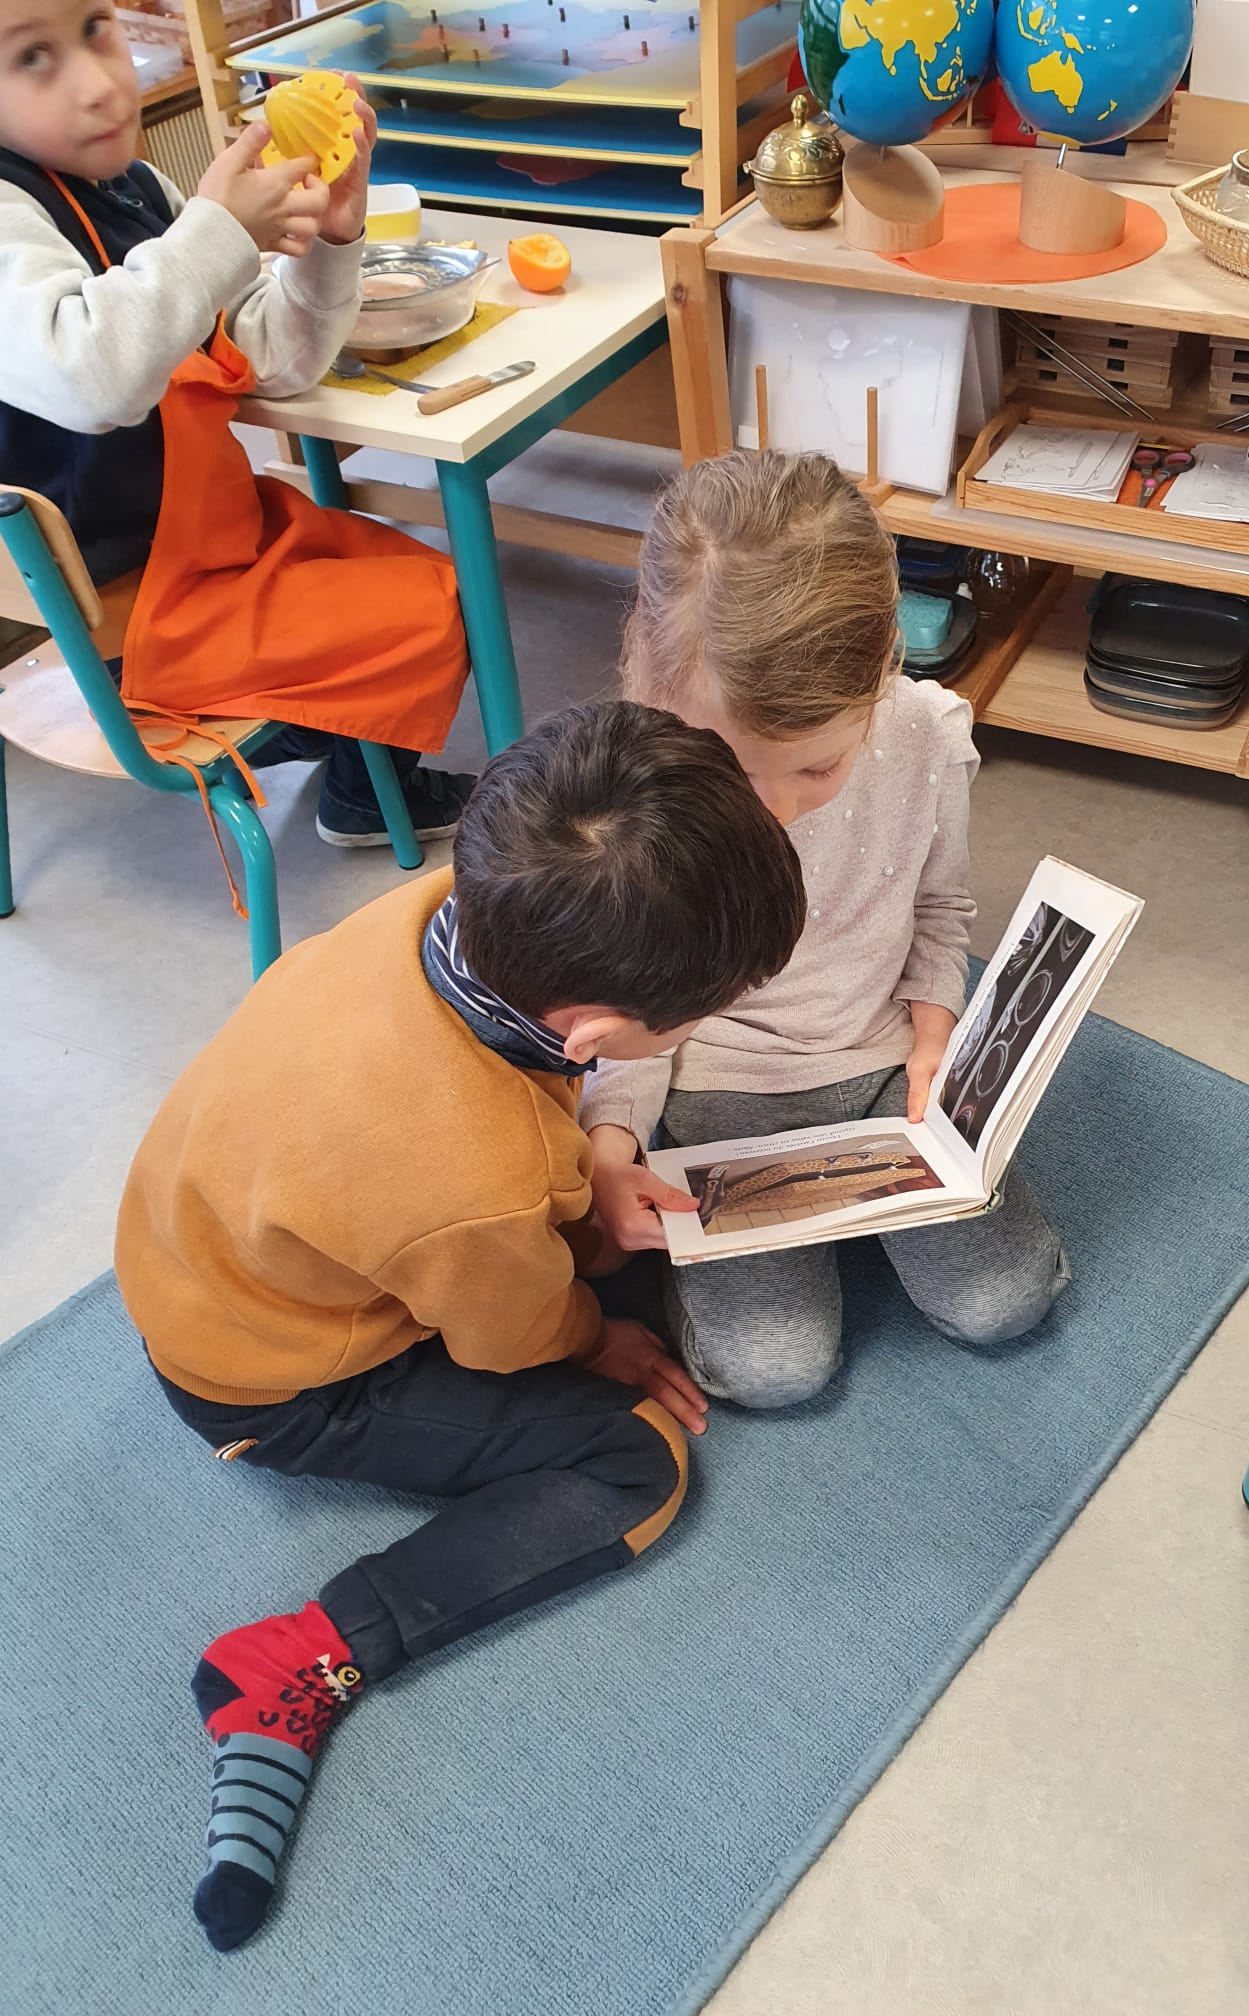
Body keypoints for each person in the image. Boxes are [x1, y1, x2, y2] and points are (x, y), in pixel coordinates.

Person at [113, 700, 807, 1952]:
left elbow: (490, 1145)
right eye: (692, 1021)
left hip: (213, 1252)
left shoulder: (440, 908)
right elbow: (510, 1335)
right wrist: (593, 1332)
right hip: (274, 1385)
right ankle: (309, 1657)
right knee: (637, 1463)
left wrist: (582, 1187)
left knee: (617, 1251)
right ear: (595, 1035)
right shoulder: (472, 1180)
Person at [584, 451, 1070, 1407]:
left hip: (883, 1058)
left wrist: (937, 1031)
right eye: (731, 766)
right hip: (717, 1080)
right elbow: (632, 997)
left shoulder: (929, 736)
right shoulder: (634, 781)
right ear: (652, 682)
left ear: (883, 665)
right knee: (775, 1371)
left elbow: (941, 907)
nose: (775, 811)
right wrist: (610, 1144)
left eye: (816, 769)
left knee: (1007, 1301)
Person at [0, 0, 473, 845]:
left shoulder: (137, 190)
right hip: (129, 614)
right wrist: (212, 229)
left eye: (96, 28)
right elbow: (95, 374)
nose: (101, 85)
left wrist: (333, 240)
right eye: (32, 58)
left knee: (425, 575)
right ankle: (341, 765)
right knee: (420, 610)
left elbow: (275, 359)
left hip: (217, 545)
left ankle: (356, 782)